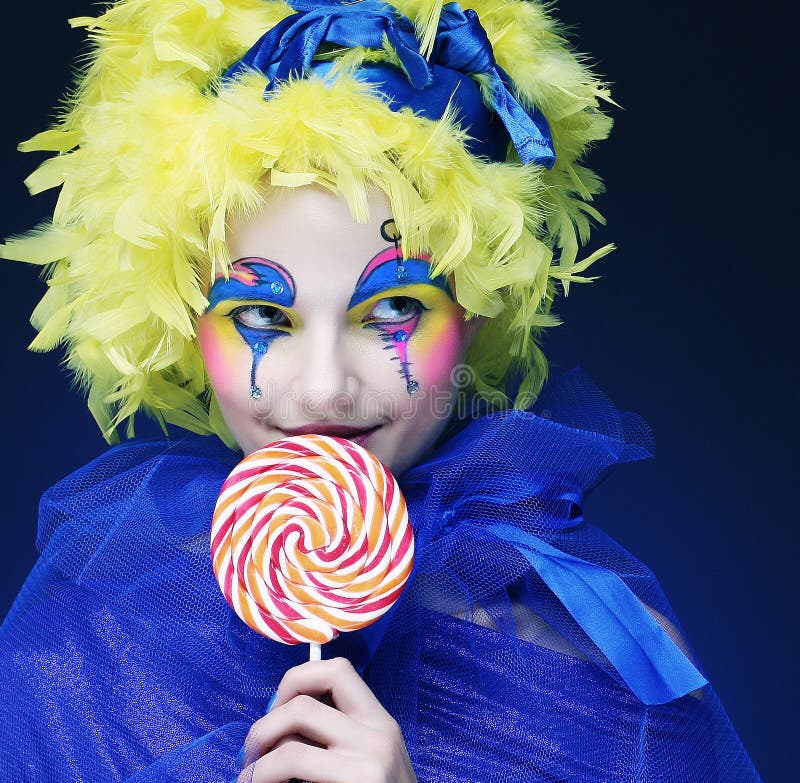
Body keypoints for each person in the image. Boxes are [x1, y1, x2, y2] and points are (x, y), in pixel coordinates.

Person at [0, 1, 762, 781]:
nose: (326, 387)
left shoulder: (610, 654)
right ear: (188, 322)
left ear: (476, 313)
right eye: (262, 314)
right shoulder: (77, 645)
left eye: (395, 307)